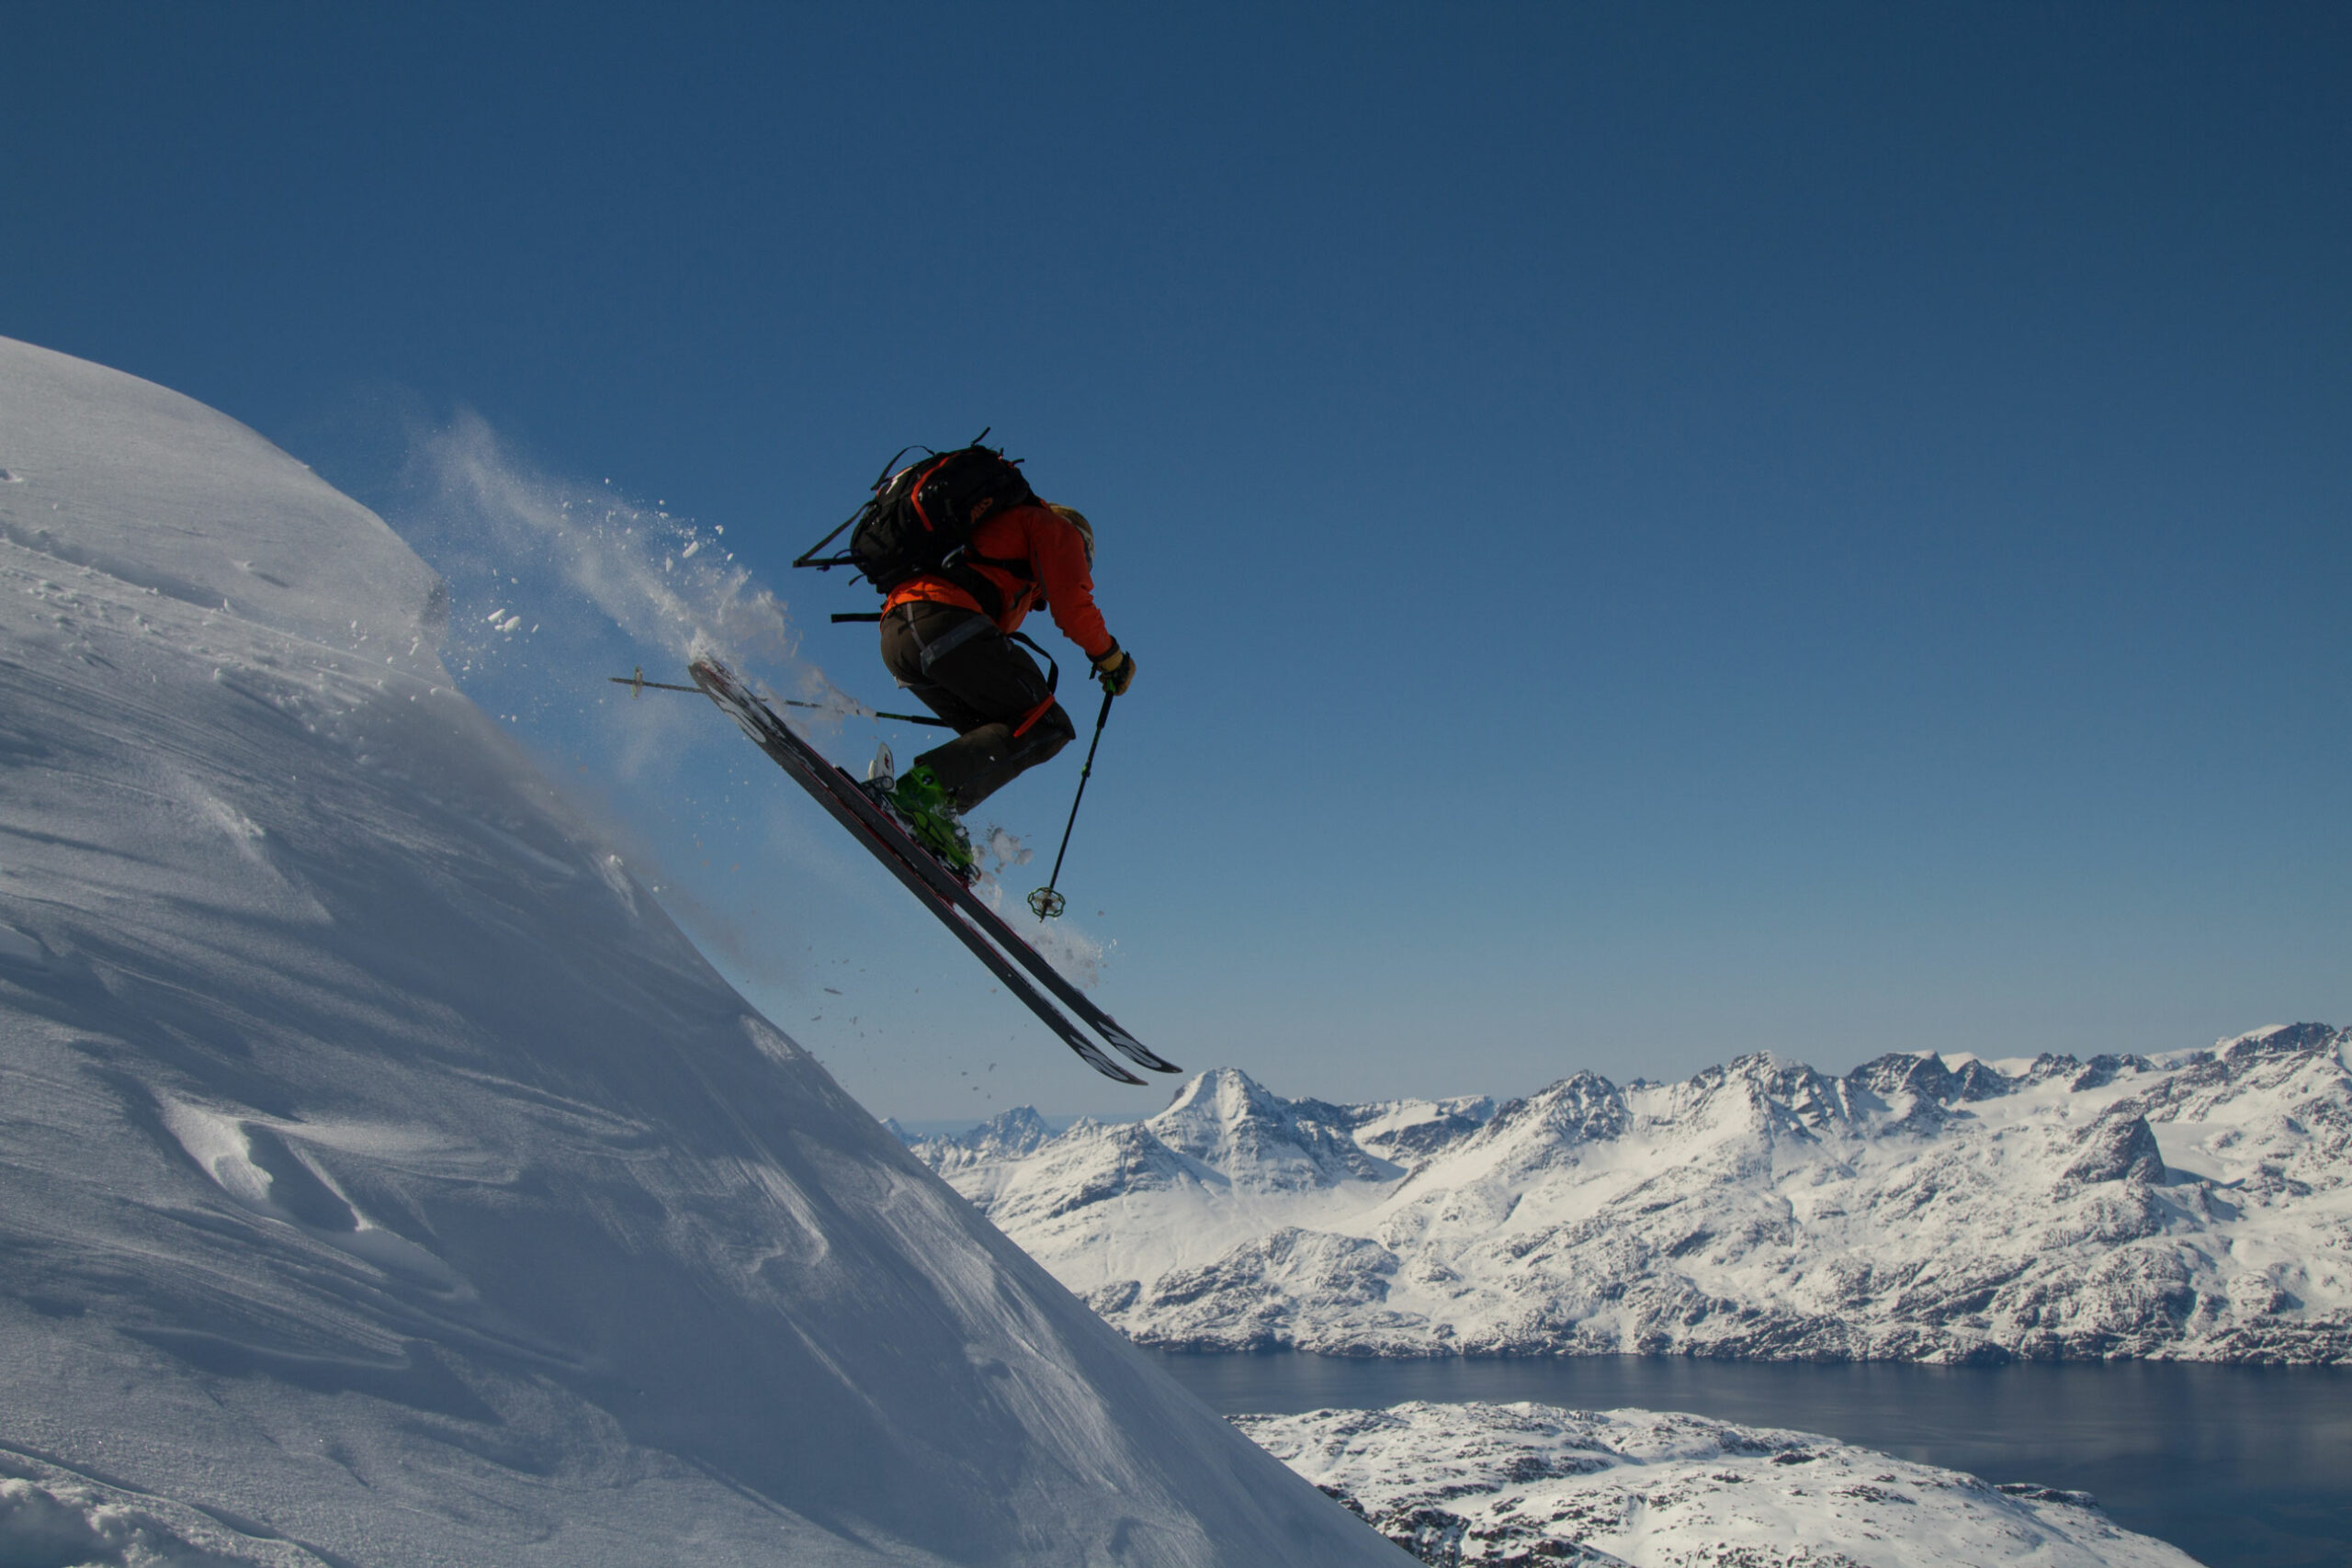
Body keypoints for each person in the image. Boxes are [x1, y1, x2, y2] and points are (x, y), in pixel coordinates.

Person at [867, 501, 1136, 877]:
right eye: (1086, 560)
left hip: (900, 638)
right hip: (941, 622)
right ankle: (923, 794)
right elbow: (1073, 605)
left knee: (1000, 730)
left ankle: (932, 813)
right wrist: (1111, 657)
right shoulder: (1055, 528)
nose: (1083, 565)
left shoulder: (992, 536)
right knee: (1046, 724)